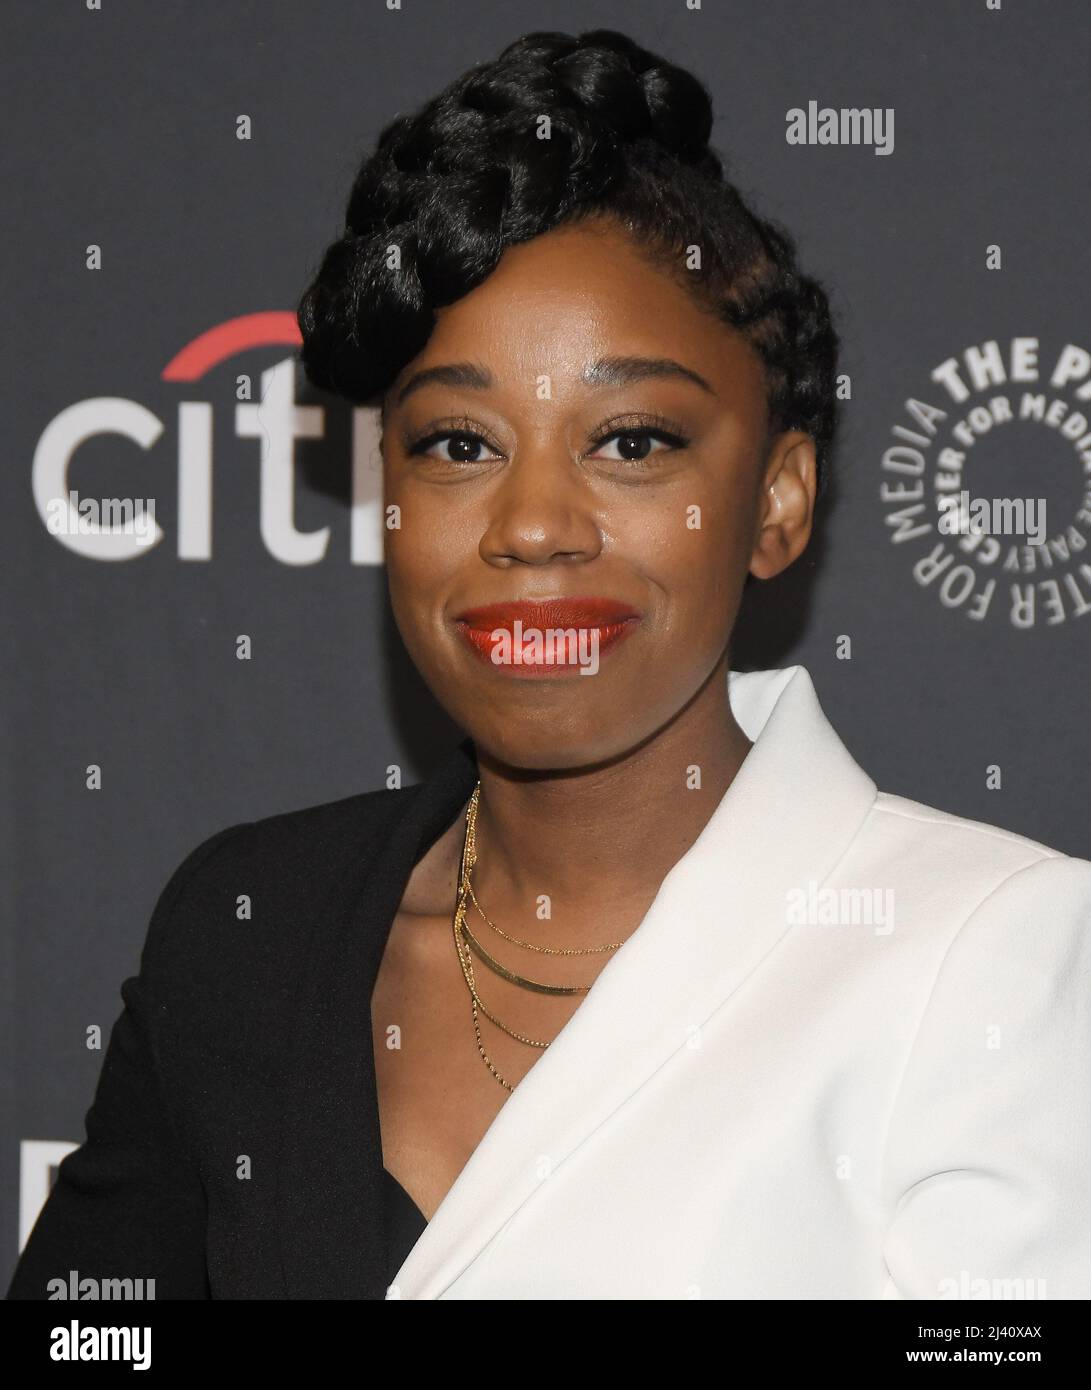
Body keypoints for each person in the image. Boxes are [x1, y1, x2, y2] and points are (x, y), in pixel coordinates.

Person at [9, 27, 1091, 1302]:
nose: (529, 524)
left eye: (630, 440)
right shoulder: (249, 928)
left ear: (778, 500)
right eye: (457, 445)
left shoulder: (992, 953)